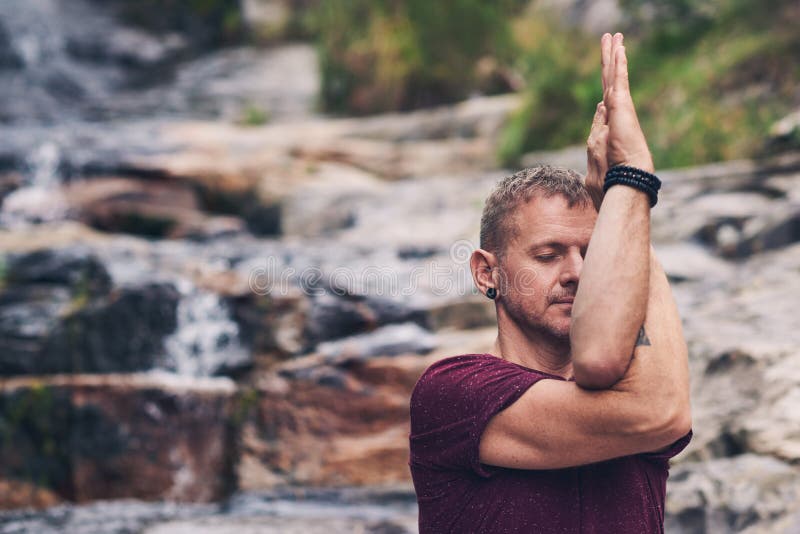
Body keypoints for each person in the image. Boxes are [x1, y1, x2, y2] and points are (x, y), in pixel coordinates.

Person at [408, 33, 692, 533]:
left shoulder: (641, 376)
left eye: (592, 253)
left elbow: (631, 385)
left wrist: (619, 211)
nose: (579, 273)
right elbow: (657, 414)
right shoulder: (455, 393)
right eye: (547, 255)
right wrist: (635, 178)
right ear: (485, 272)